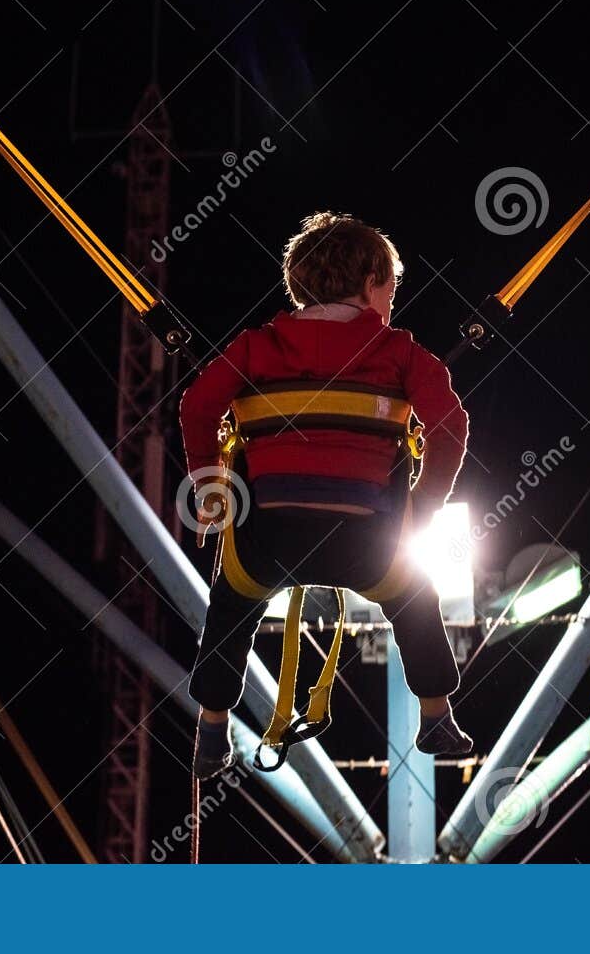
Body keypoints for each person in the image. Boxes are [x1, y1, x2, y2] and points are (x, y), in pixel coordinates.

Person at [182, 211, 473, 779]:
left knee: (230, 609)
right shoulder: (401, 354)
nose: (391, 305)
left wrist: (211, 484)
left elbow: (197, 406)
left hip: (266, 539)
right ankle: (437, 715)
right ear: (370, 286)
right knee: (415, 600)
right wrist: (425, 504)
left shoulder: (255, 347)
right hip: (369, 542)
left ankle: (212, 729)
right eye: (390, 290)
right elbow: (451, 425)